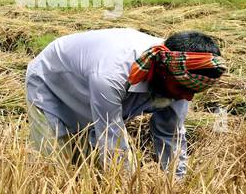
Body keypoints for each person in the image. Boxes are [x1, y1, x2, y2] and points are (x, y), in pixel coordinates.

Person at [25, 28, 227, 179]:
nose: (188, 97)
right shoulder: (112, 74)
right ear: (162, 71)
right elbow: (112, 139)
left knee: (91, 172)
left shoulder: (180, 77)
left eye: (194, 92)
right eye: (184, 89)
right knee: (56, 169)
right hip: (52, 85)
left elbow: (170, 134)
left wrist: (176, 185)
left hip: (97, 97)